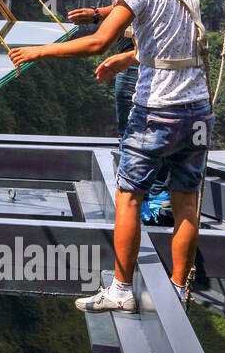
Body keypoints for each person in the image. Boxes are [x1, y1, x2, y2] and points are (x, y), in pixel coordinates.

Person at [8, 0, 212, 311]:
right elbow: (170, 43)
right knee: (186, 202)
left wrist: (39, 52)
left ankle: (120, 291)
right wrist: (124, 53)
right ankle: (178, 290)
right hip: (197, 110)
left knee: (129, 197)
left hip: (156, 111)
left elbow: (99, 42)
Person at [66, 12, 171, 221]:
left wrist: (39, 52)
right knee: (129, 133)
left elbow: (98, 43)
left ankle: (157, 194)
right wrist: (98, 14)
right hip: (130, 65)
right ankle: (141, 196)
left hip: (157, 66)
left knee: (159, 130)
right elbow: (125, 5)